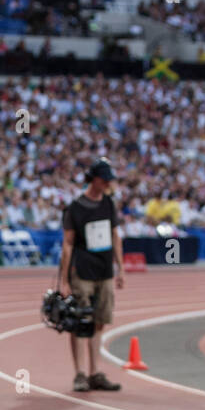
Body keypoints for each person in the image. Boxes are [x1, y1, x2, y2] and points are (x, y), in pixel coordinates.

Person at [58, 159, 125, 392]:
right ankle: (79, 374)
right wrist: (64, 280)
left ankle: (95, 372)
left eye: (109, 180)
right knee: (79, 322)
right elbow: (67, 244)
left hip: (105, 271)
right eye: (104, 179)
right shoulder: (75, 207)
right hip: (83, 272)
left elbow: (116, 236)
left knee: (99, 322)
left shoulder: (108, 203)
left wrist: (121, 268)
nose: (108, 183)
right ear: (93, 179)